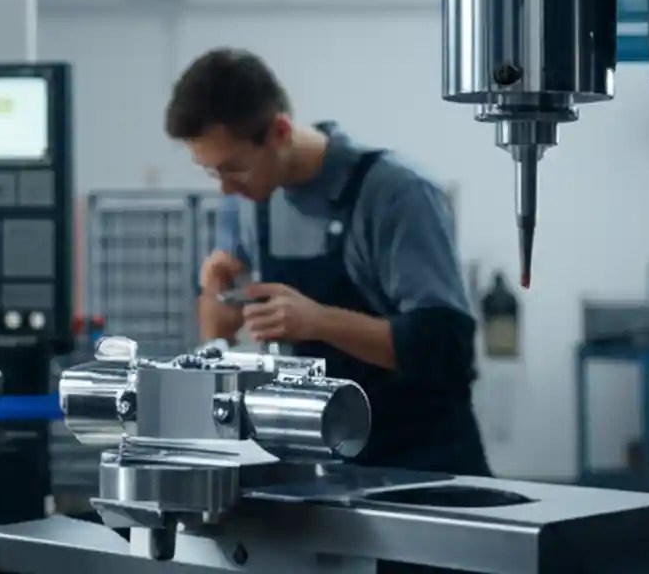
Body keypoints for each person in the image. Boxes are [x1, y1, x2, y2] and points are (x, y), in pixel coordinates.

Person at [165, 47, 490, 477]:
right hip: (321, 466)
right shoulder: (250, 201)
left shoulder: (397, 195)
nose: (224, 189)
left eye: (233, 169)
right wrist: (217, 298)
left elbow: (446, 347)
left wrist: (317, 321)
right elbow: (216, 334)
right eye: (212, 174)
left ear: (280, 132)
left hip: (422, 467)